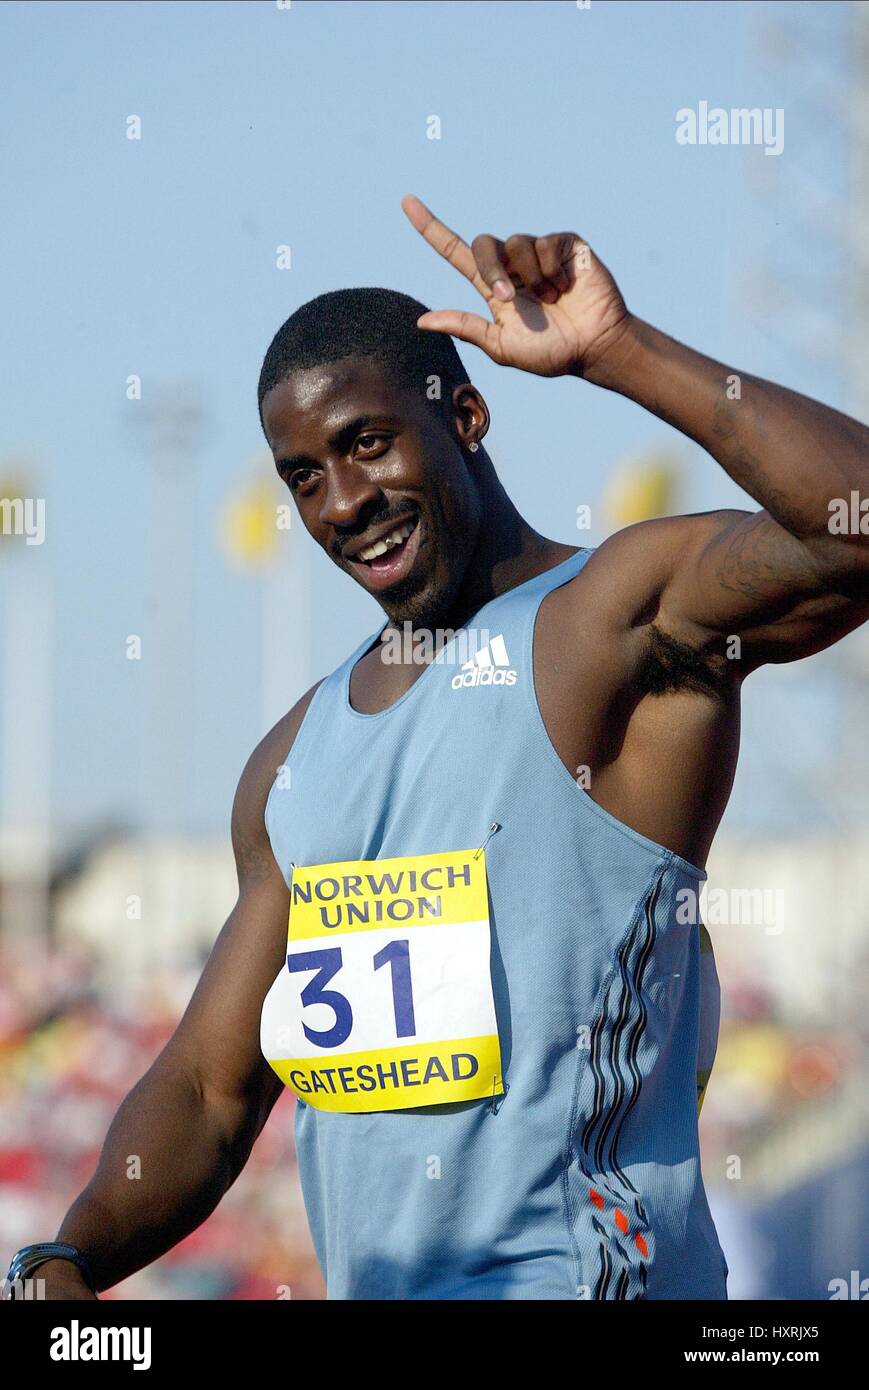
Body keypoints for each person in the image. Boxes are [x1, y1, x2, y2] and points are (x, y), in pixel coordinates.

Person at [10, 195, 867, 1301]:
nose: (344, 502)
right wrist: (68, 1254)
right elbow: (209, 1090)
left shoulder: (611, 621)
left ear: (465, 416)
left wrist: (619, 351)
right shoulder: (291, 767)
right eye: (304, 476)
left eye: (367, 443)